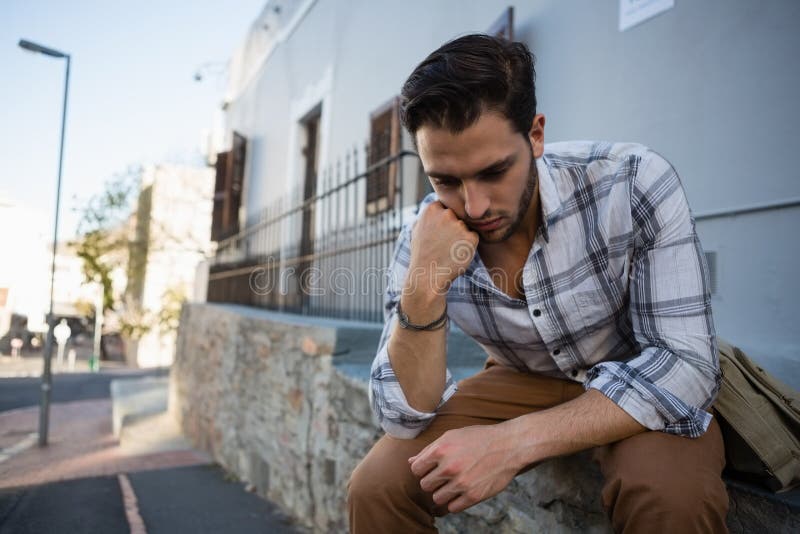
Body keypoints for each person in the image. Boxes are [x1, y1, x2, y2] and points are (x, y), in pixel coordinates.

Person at [347, 34, 729, 533]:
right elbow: (402, 415)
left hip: (638, 367)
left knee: (668, 498)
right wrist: (423, 287)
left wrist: (511, 443)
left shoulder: (631, 182)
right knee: (376, 488)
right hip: (521, 376)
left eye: (493, 171)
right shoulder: (424, 233)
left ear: (536, 135)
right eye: (445, 181)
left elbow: (687, 362)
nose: (475, 205)